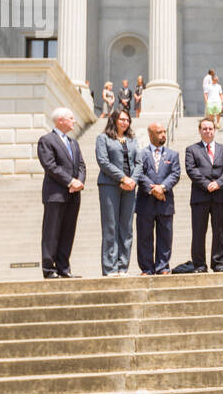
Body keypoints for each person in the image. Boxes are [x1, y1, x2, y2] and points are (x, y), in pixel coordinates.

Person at [37, 107, 86, 278]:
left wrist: (79, 181)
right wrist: (70, 181)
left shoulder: (74, 143)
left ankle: (64, 268)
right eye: (71, 118)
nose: (74, 121)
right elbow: (50, 165)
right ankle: (49, 268)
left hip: (73, 195)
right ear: (60, 121)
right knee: (52, 232)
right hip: (55, 195)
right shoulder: (47, 140)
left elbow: (81, 165)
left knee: (68, 232)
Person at [186, 116, 223, 271]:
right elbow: (191, 170)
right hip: (200, 197)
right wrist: (207, 184)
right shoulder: (192, 150)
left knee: (219, 233)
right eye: (204, 128)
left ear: (215, 130)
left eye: (210, 128)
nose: (207, 131)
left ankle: (218, 263)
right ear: (200, 131)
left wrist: (219, 183)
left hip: (219, 196)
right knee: (199, 233)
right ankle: (199, 264)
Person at [96, 108, 138, 277]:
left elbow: (139, 162)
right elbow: (103, 162)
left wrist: (133, 179)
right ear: (114, 120)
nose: (125, 122)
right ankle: (110, 268)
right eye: (121, 119)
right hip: (110, 186)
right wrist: (123, 178)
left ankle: (122, 266)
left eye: (127, 120)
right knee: (110, 227)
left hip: (130, 187)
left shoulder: (132, 140)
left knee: (126, 228)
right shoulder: (103, 138)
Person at [135, 121, 180, 275]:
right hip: (145, 202)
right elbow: (139, 174)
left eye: (164, 132)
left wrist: (162, 187)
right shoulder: (141, 154)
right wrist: (152, 189)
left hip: (165, 201)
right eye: (159, 132)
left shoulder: (173, 155)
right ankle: (146, 268)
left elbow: (175, 174)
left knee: (165, 236)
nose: (163, 135)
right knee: (144, 237)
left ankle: (162, 267)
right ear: (150, 134)